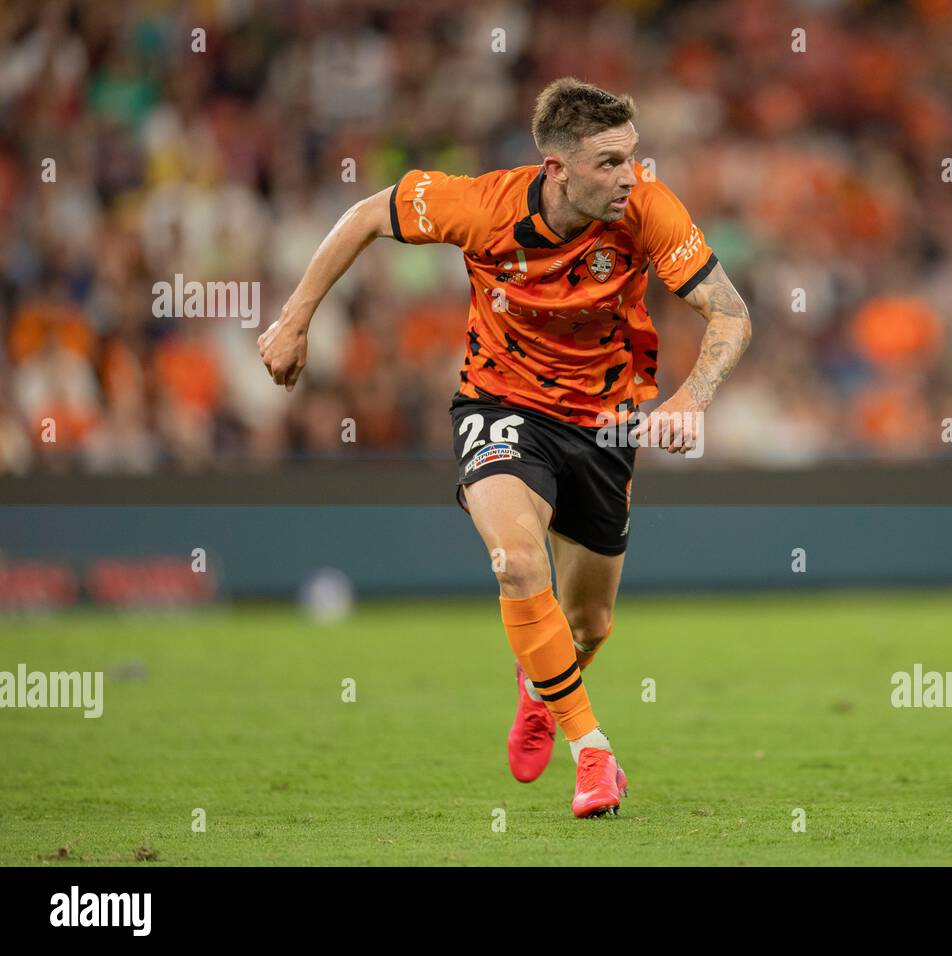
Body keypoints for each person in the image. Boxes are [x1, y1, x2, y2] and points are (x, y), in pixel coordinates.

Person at [258, 77, 751, 818]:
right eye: (610, 163)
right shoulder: (480, 205)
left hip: (607, 422)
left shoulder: (649, 208)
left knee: (588, 625)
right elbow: (365, 216)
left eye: (632, 159)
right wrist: (294, 320)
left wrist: (691, 398)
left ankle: (538, 684)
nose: (629, 177)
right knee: (517, 561)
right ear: (557, 169)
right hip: (501, 404)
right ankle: (594, 754)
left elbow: (732, 314)